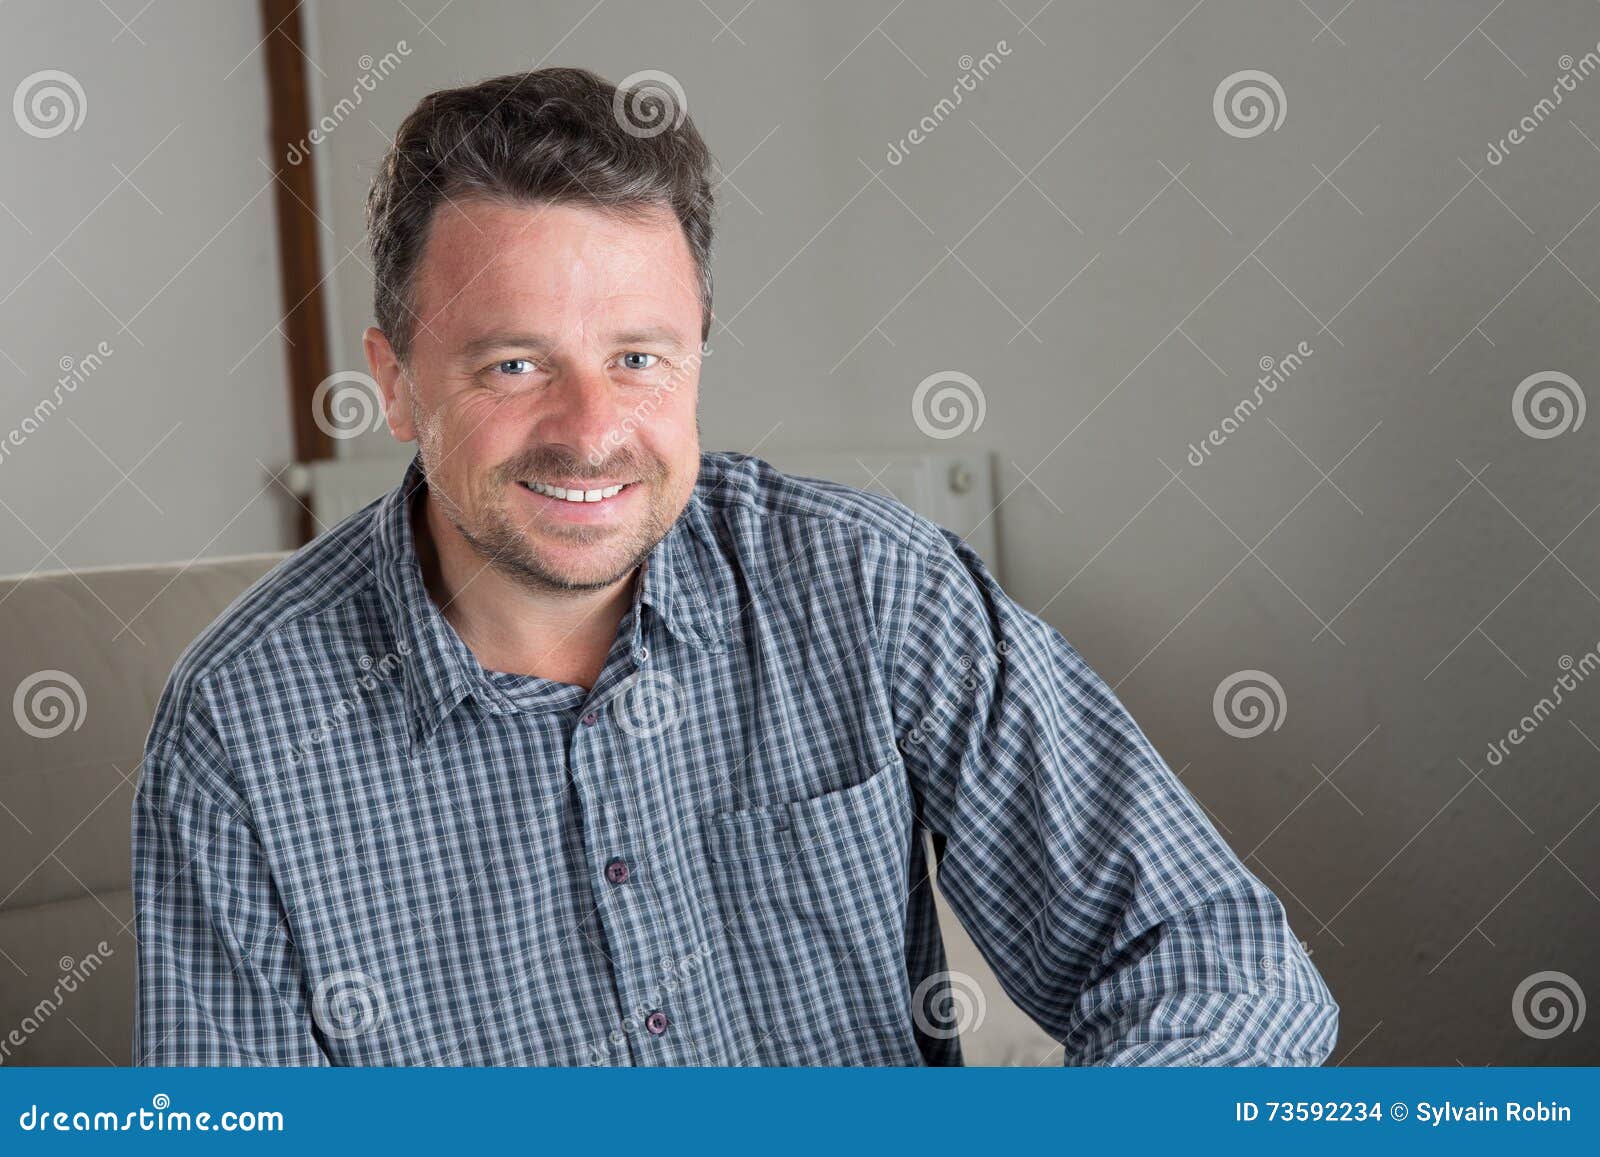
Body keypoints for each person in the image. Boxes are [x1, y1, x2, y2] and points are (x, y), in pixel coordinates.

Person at [134, 67, 1338, 1066]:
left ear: (698, 353)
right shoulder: (241, 723)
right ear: (395, 383)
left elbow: (1214, 962)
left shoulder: (867, 584)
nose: (590, 430)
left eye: (640, 358)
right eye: (513, 365)